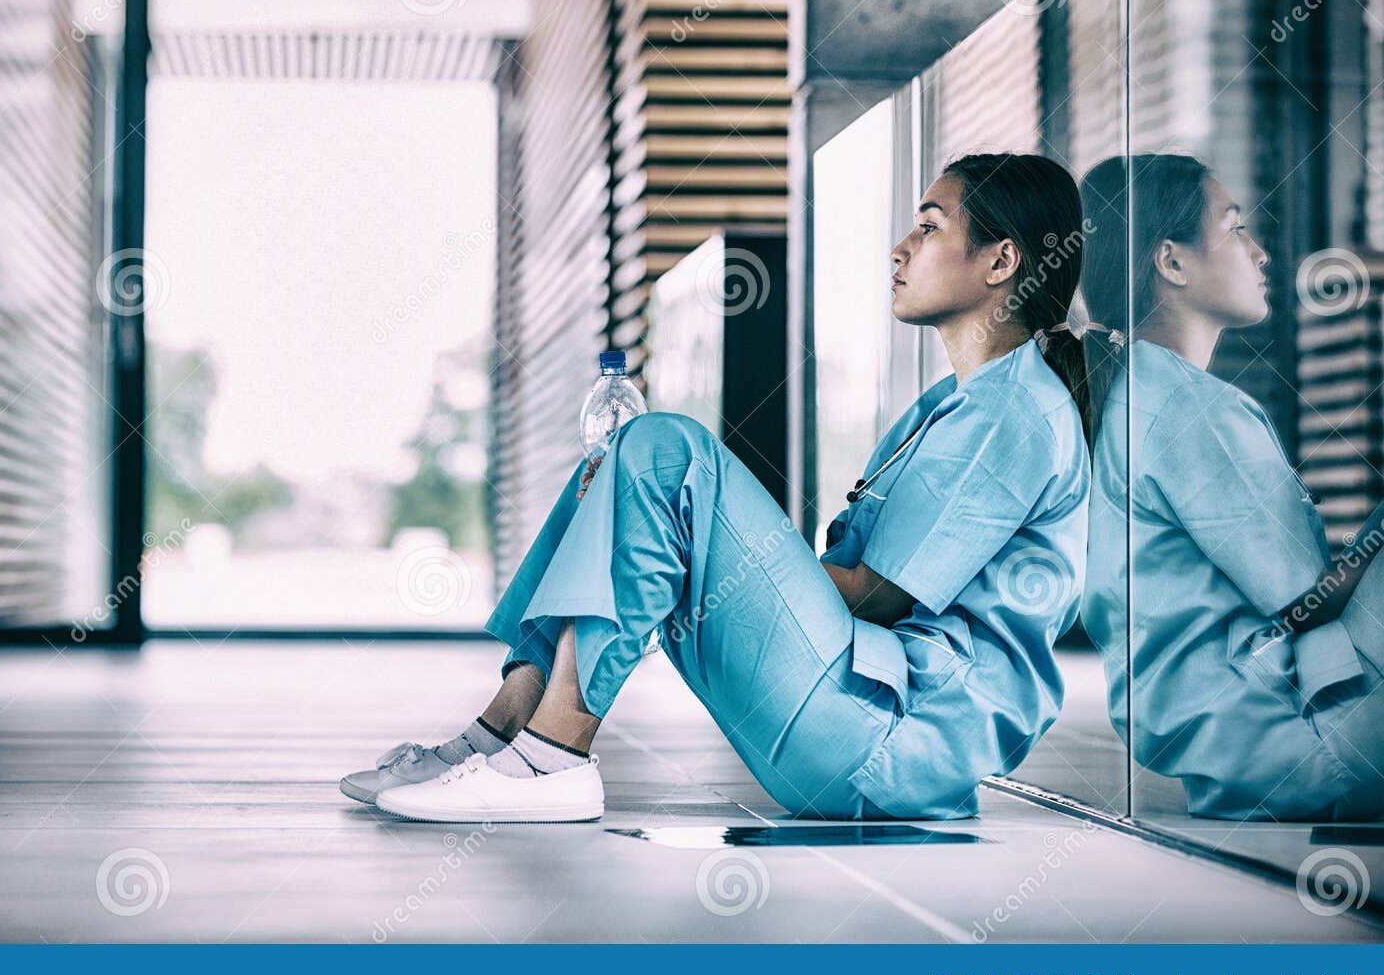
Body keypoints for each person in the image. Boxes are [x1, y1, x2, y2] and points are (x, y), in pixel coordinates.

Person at [343, 153, 1092, 823]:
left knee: (664, 451)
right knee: (615, 473)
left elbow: (872, 593)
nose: (900, 248)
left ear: (1000, 262)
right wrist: (654, 528)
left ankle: (552, 759)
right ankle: (505, 730)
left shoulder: (1015, 409)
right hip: (853, 717)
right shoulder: (947, 406)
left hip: (888, 740)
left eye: (928, 228)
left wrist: (716, 546)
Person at [1079, 154, 1384, 820]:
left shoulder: (1135, 391)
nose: (1259, 251)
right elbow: (1309, 601)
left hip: (1238, 759)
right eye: (1235, 227)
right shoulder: (1189, 408)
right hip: (1311, 746)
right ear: (1173, 262)